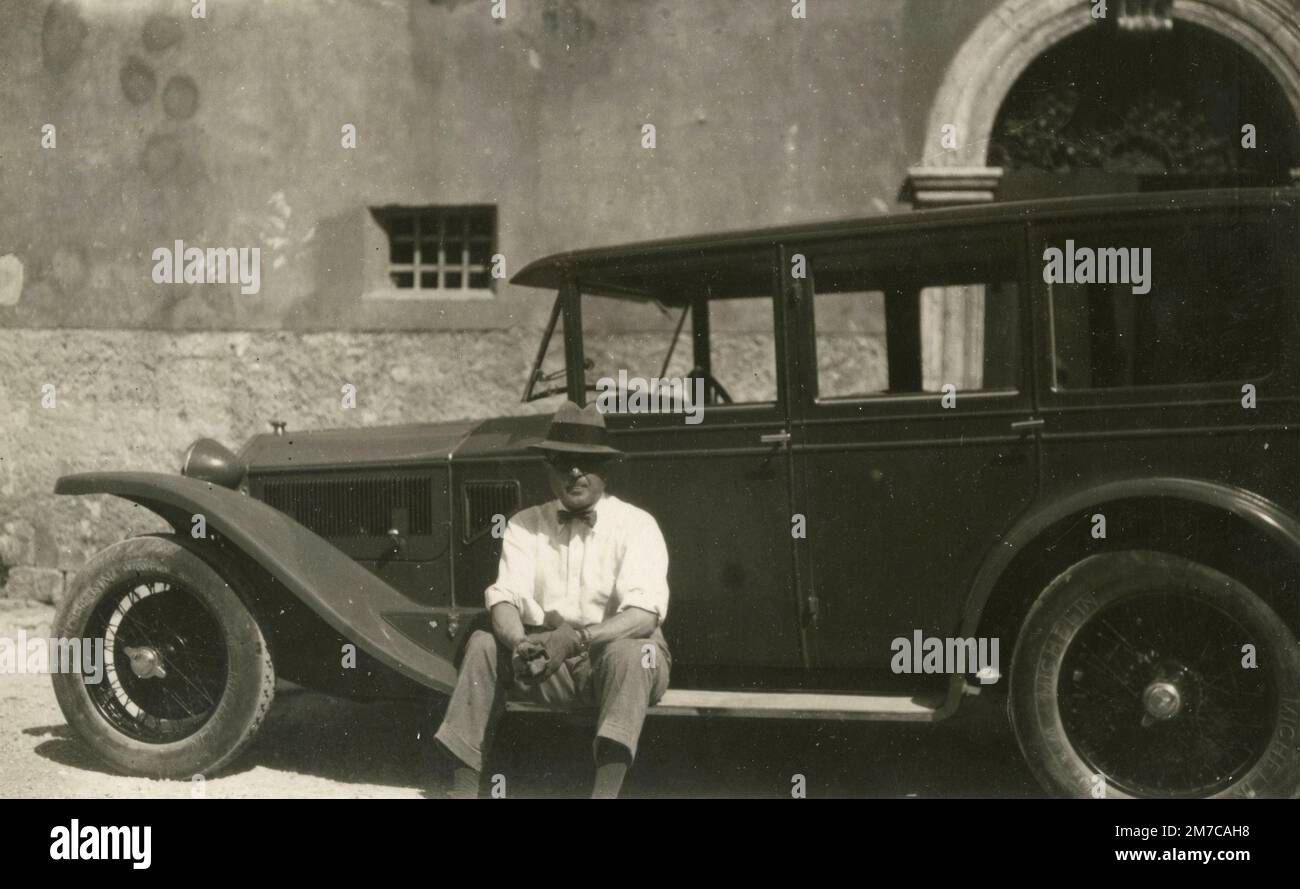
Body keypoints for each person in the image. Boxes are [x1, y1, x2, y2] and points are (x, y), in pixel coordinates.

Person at [430, 400, 671, 799]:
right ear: (548, 468)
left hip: (612, 657)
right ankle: (463, 791)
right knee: (483, 644)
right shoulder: (525, 525)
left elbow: (643, 616)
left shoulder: (637, 526)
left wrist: (578, 639)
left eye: (585, 462)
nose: (573, 472)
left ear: (605, 470)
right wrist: (519, 642)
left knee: (634, 655)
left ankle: (604, 794)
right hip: (546, 657)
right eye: (562, 461)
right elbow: (505, 598)